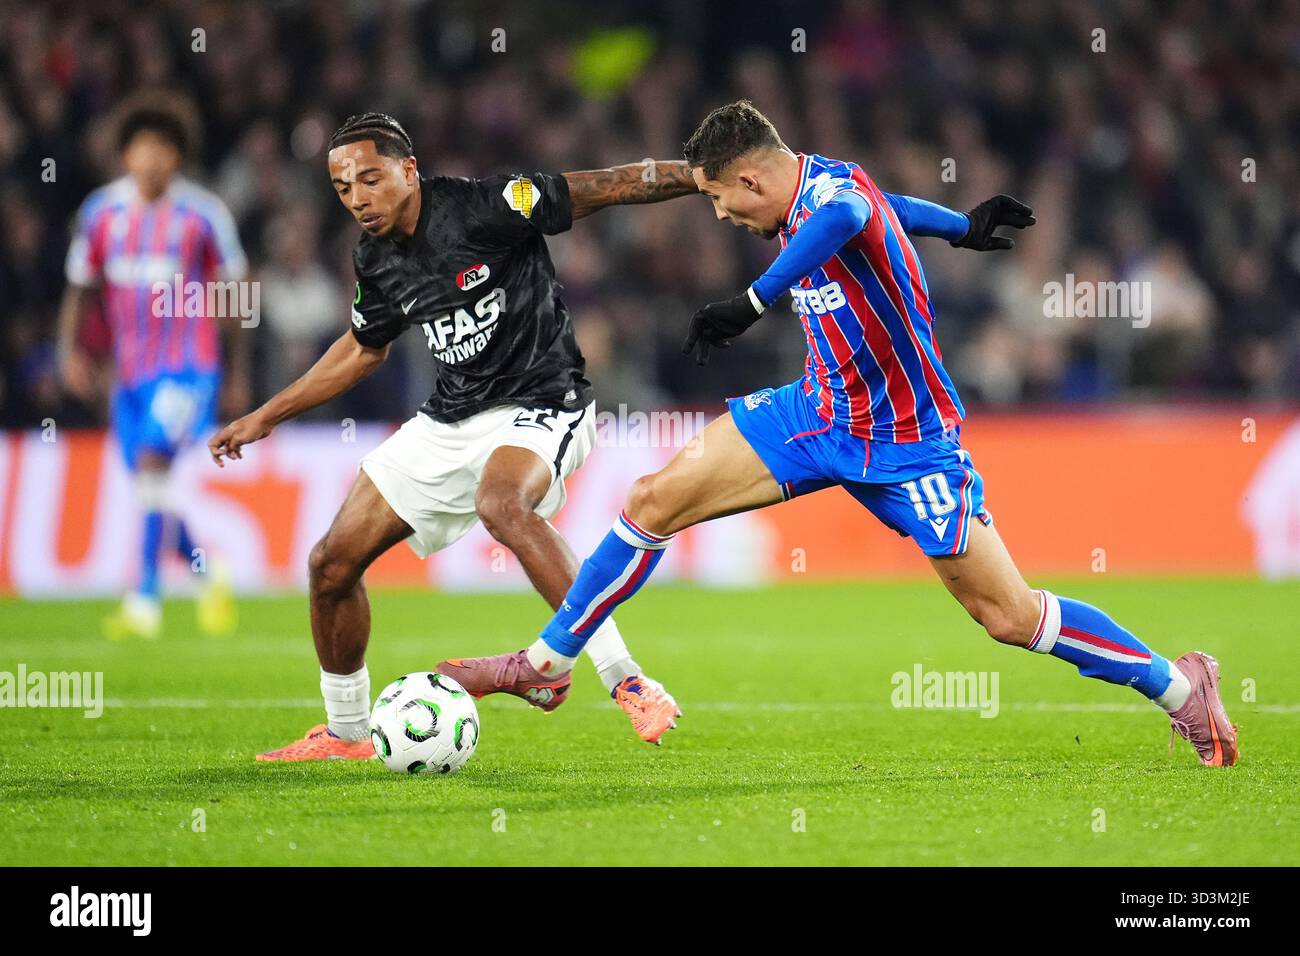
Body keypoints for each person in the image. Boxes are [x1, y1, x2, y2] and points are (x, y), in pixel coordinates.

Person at [444, 101, 1238, 767]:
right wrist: (960, 224)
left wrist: (752, 303)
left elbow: (854, 212)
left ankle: (1178, 685)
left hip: (908, 441)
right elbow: (882, 206)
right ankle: (547, 665)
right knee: (652, 499)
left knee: (1010, 617)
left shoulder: (829, 198)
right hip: (818, 412)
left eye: (724, 200)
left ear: (753, 178)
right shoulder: (819, 185)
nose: (722, 215)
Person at [209, 113, 700, 757]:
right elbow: (363, 349)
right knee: (331, 564)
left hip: (545, 400)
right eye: (343, 188)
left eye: (370, 178)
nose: (358, 198)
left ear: (408, 170)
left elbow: (605, 186)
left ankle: (626, 680)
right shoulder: (376, 257)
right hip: (451, 417)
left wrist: (697, 175)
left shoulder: (489, 206)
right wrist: (266, 416)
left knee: (501, 503)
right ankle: (348, 732)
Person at [59, 92, 245, 640]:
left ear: (178, 157)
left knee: (152, 463)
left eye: (164, 148)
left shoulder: (203, 215)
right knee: (150, 486)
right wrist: (71, 350)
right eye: (142, 148)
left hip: (189, 367)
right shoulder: (100, 213)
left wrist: (237, 373)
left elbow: (234, 294)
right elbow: (80, 286)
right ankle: (207, 572)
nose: (152, 159)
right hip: (129, 374)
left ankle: (143, 600)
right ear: (125, 155)